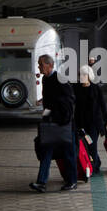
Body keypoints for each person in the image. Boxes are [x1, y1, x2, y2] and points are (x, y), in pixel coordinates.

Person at [30, 53, 76, 193]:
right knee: (46, 152)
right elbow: (48, 101)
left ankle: (71, 181)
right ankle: (41, 182)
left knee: (69, 154)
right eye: (38, 64)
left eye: (41, 65)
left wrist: (64, 119)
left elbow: (70, 100)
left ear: (50, 65)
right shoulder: (45, 79)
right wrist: (45, 114)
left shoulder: (61, 79)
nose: (39, 67)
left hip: (64, 123)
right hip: (51, 123)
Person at [74, 64, 107, 175]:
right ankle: (97, 162)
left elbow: (102, 105)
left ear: (89, 76)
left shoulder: (95, 89)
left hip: (94, 123)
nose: (82, 77)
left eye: (84, 75)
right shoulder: (76, 88)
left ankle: (94, 168)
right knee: (86, 144)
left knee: (92, 145)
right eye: (80, 75)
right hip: (81, 122)